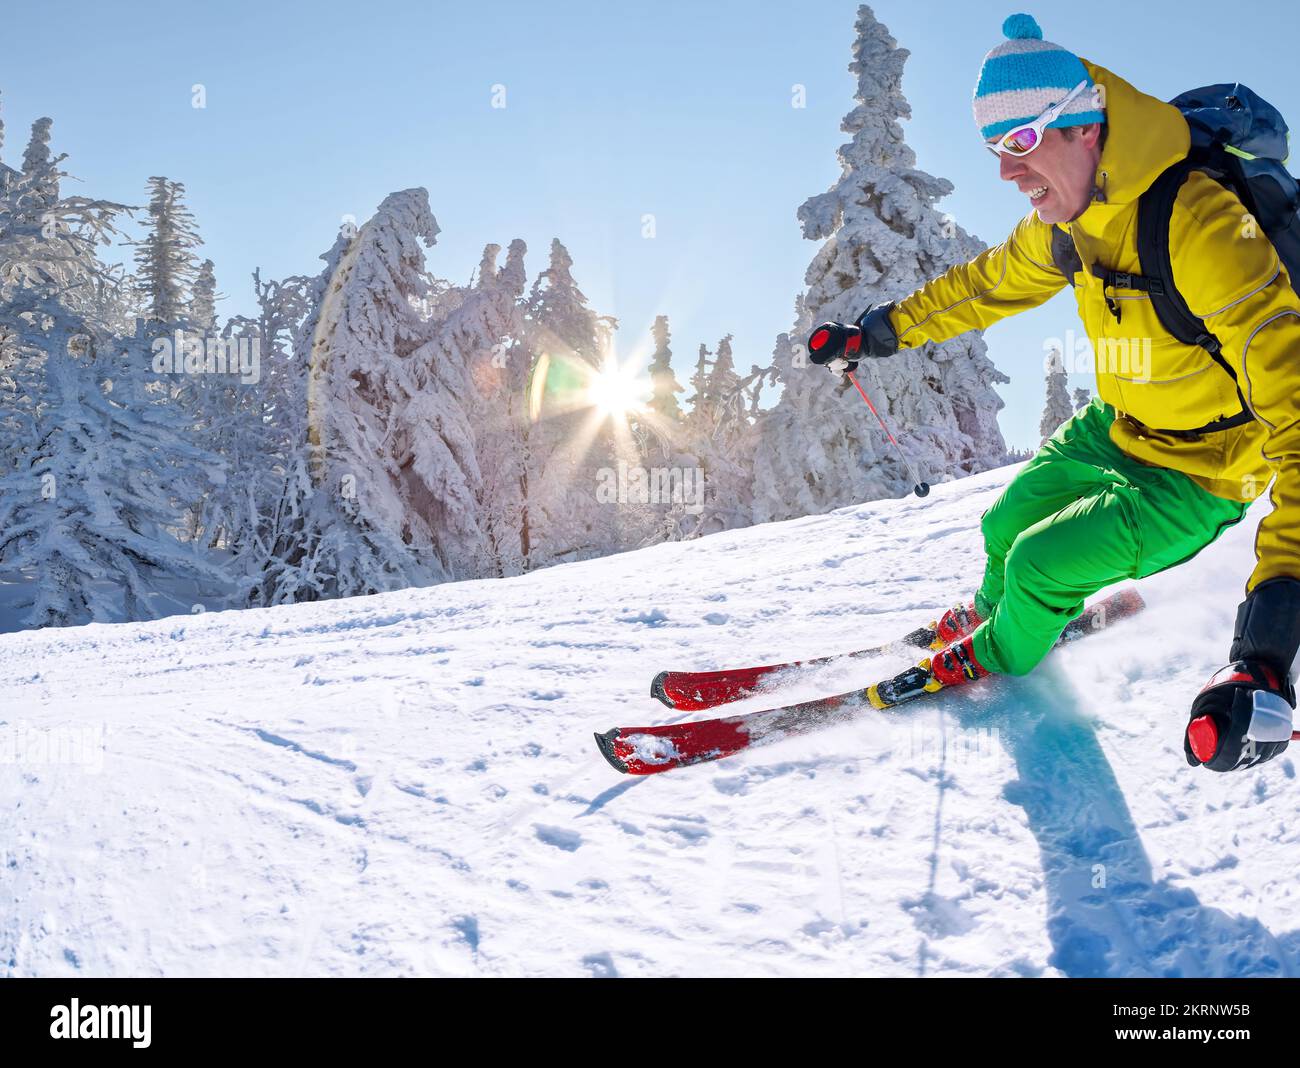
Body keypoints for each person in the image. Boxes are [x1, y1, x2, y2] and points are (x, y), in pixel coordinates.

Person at [808, 14, 1300, 773]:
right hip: (1120, 425)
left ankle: (1001, 651)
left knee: (1039, 563)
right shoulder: (1067, 221)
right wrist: (875, 333)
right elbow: (983, 287)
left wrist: (1266, 649)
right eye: (995, 150)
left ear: (1085, 127)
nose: (1007, 172)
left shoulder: (1201, 226)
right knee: (1005, 522)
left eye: (1022, 143)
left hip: (1205, 470)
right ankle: (999, 616)